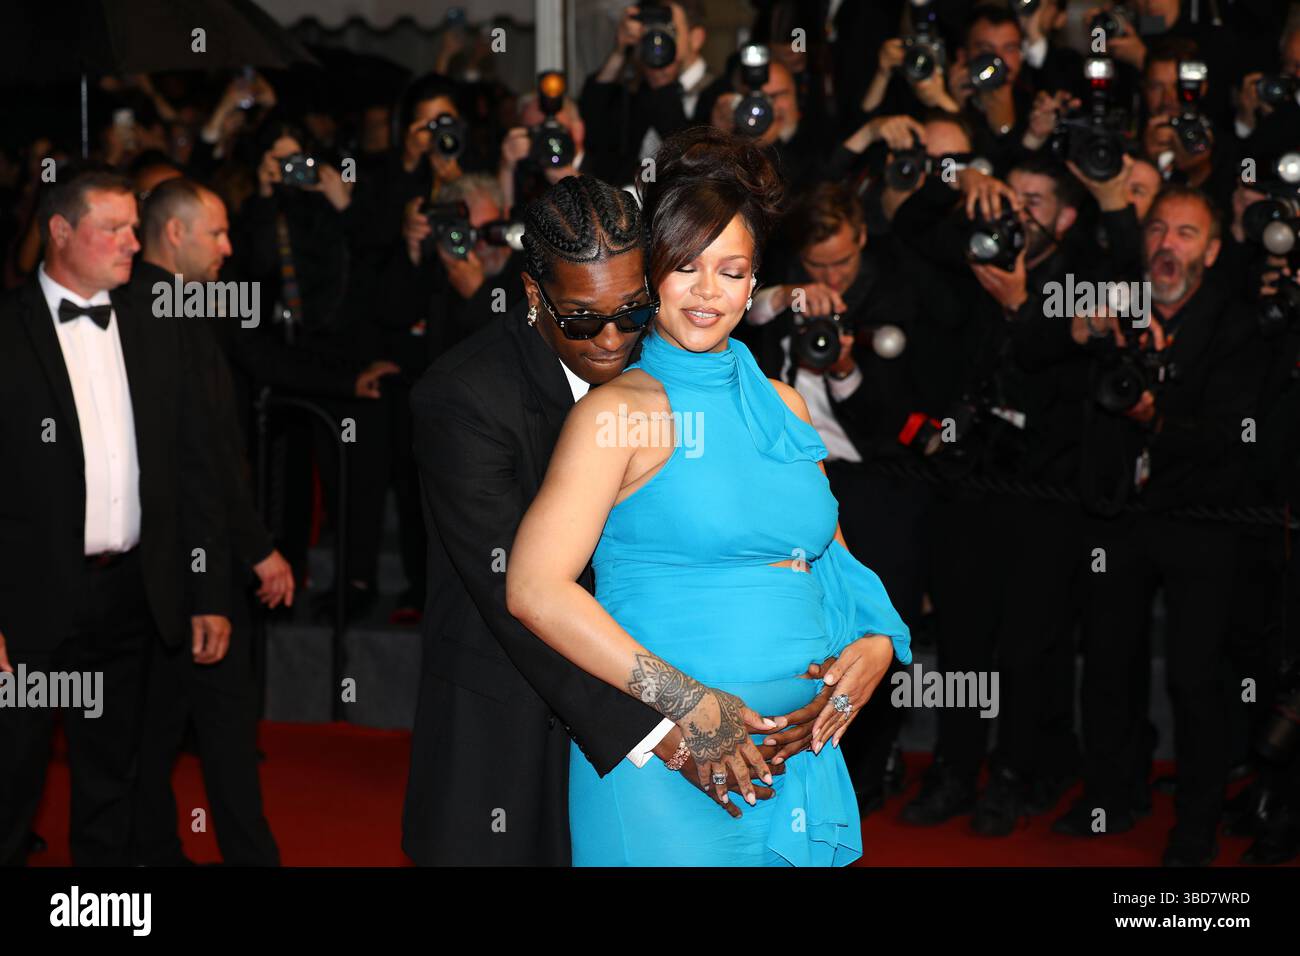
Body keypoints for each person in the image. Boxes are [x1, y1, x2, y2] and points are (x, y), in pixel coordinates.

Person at [506, 129, 911, 866]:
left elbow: (831, 560)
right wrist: (689, 704)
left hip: (799, 755)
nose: (705, 292)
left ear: (755, 286)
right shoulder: (616, 412)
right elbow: (535, 588)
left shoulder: (786, 408)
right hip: (672, 769)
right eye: (684, 267)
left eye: (730, 271)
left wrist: (879, 641)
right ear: (650, 277)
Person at [403, 173, 830, 866]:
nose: (610, 338)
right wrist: (669, 723)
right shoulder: (463, 398)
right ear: (535, 296)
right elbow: (520, 600)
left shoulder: (666, 370)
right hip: (513, 732)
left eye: (630, 312)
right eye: (582, 319)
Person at [0, 169, 231, 865]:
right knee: (11, 783)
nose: (135, 242)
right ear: (60, 231)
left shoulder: (158, 324)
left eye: (136, 226)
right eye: (116, 228)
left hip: (134, 594)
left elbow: (193, 468)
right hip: (27, 602)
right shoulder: (6, 332)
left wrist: (207, 591)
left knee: (117, 787)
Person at [127, 178, 282, 866]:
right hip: (190, 565)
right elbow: (204, 461)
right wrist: (246, 559)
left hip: (158, 569)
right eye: (216, 234)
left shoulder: (156, 311)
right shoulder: (163, 321)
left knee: (153, 737)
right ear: (175, 234)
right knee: (215, 731)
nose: (228, 247)